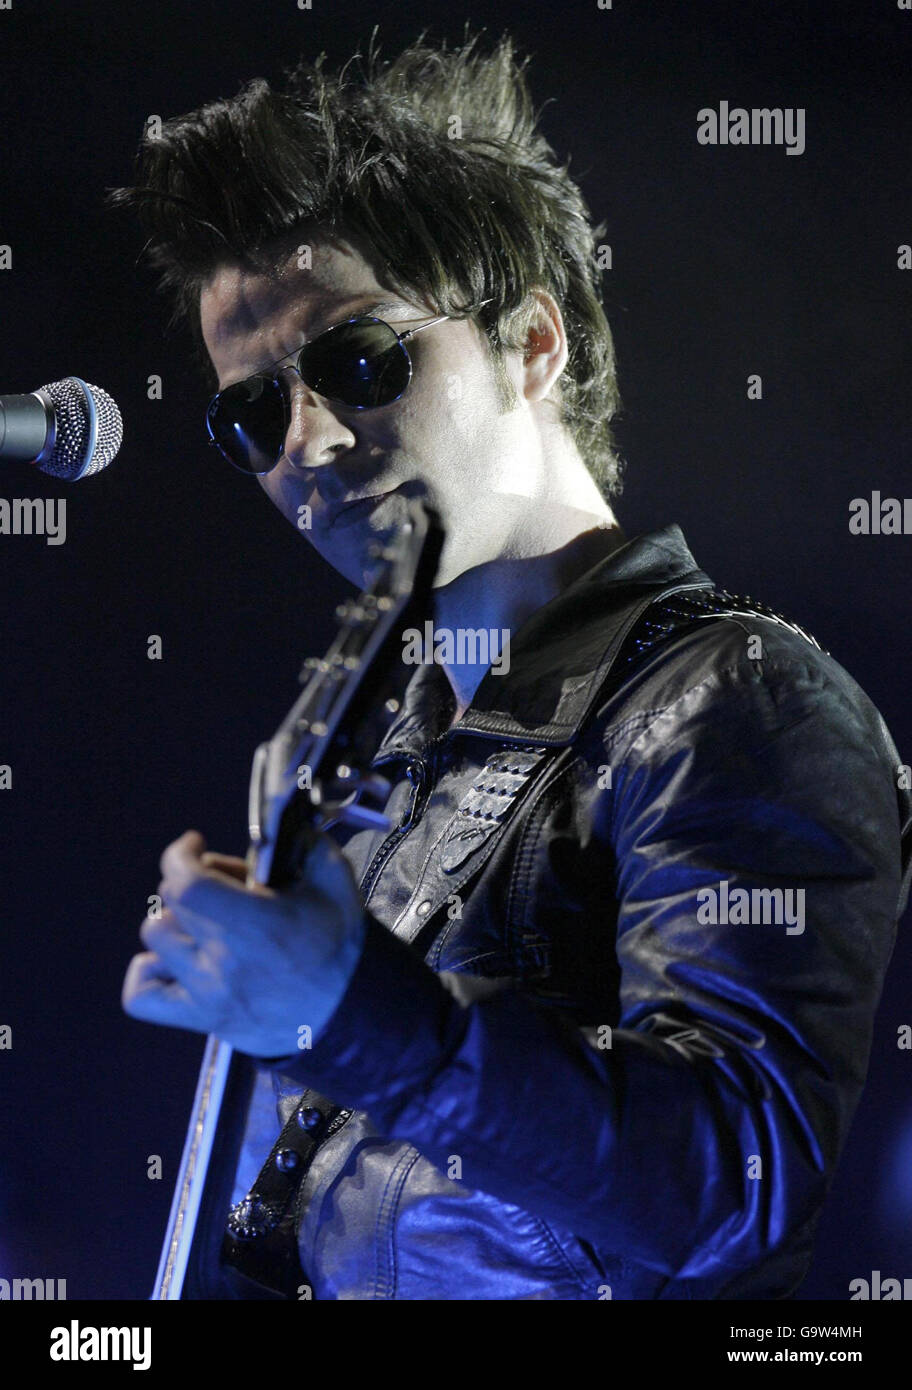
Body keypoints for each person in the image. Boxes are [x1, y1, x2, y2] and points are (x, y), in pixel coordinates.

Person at [113, 32, 912, 1300]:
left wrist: (344, 1011)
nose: (304, 444)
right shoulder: (388, 752)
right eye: (249, 414)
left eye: (359, 360)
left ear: (534, 344)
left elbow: (737, 1187)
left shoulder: (739, 694)